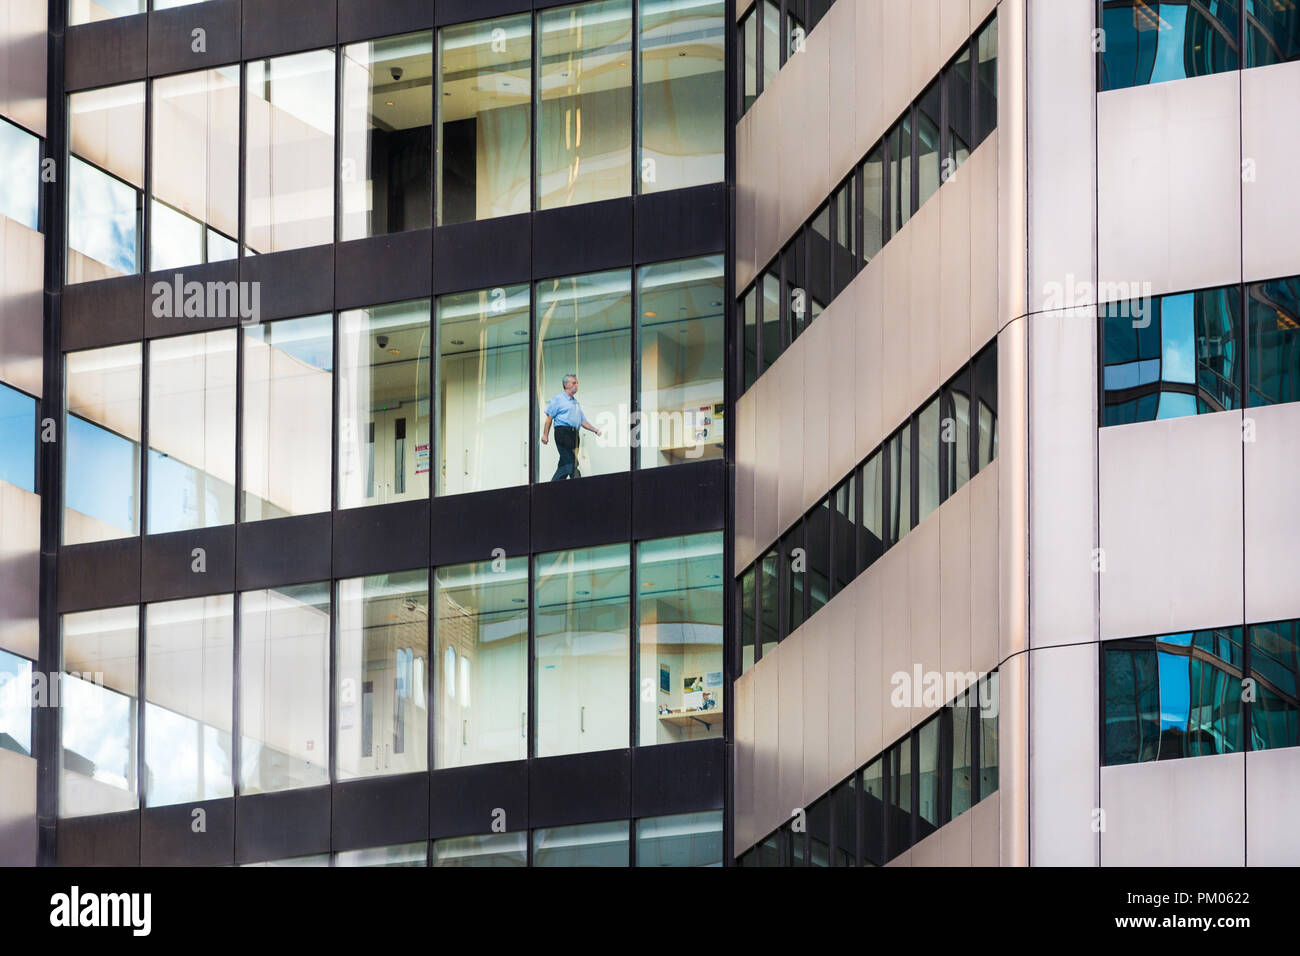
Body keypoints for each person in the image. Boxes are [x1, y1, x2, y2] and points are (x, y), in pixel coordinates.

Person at [541, 373, 601, 480]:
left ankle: (553, 486)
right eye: (574, 383)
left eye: (577, 383)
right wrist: (545, 435)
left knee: (564, 465)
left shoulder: (575, 403)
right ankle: (578, 483)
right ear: (566, 384)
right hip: (563, 432)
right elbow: (549, 418)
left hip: (574, 434)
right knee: (572, 462)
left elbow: (583, 421)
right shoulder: (558, 399)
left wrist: (595, 430)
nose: (576, 385)